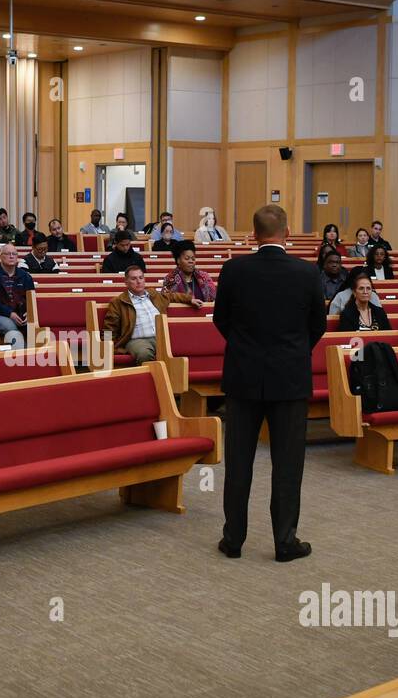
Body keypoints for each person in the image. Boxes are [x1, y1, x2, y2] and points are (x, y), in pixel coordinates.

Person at [213, 204, 325, 562]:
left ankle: (233, 539)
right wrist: (293, 352)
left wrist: (246, 349)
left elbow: (221, 320)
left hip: (243, 376)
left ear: (254, 233)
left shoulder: (234, 269)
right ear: (287, 233)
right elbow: (318, 325)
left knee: (239, 462)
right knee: (288, 464)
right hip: (290, 379)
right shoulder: (307, 273)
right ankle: (285, 541)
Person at [103, 263, 202, 364]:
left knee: (183, 347)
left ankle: (175, 378)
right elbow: (109, 328)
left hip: (161, 337)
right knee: (144, 354)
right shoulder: (118, 302)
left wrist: (189, 299)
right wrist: (107, 349)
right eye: (133, 279)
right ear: (126, 282)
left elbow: (172, 296)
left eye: (141, 278)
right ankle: (150, 379)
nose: (138, 281)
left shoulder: (154, 295)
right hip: (137, 340)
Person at [0, 244, 35, 341]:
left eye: (14, 254)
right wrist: (10, 313)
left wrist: (29, 312)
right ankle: (22, 354)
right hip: (1, 314)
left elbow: (31, 298)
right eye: (8, 254)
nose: (11, 256)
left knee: (35, 326)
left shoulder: (25, 276)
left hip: (22, 314)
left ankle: (35, 354)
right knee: (11, 329)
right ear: (1, 256)